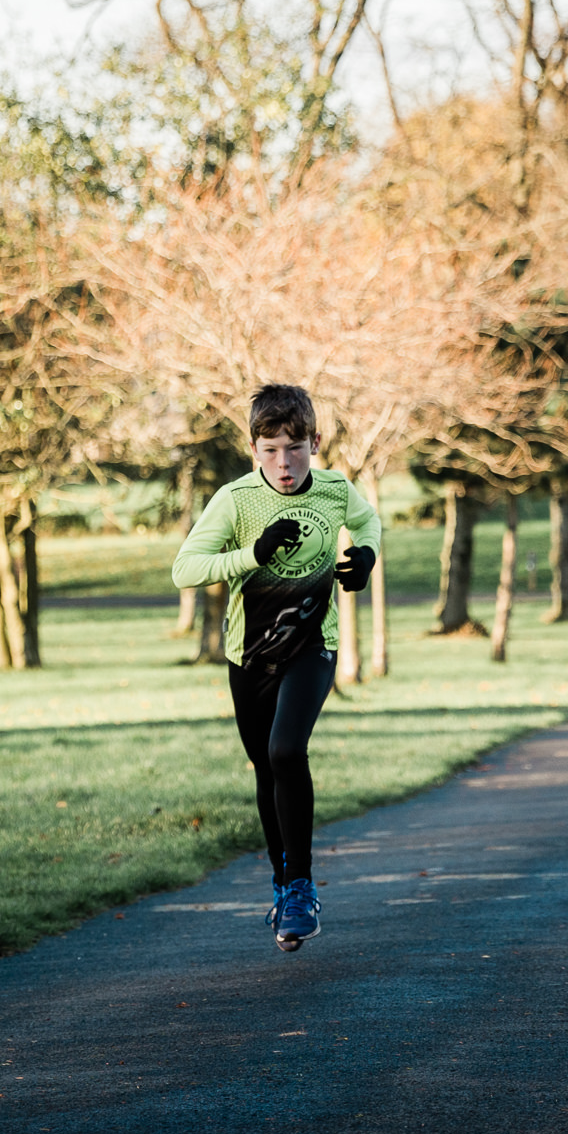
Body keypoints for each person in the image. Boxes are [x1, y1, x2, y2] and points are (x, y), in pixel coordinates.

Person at [171, 383, 380, 952]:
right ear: (253, 448)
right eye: (269, 450)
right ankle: (282, 882)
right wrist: (252, 555)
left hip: (313, 647)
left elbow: (367, 524)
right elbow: (184, 570)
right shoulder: (235, 500)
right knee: (266, 769)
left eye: (294, 448)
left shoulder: (335, 489)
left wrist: (364, 557)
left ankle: (302, 886)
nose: (282, 464)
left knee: (287, 751)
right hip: (250, 657)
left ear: (315, 442)